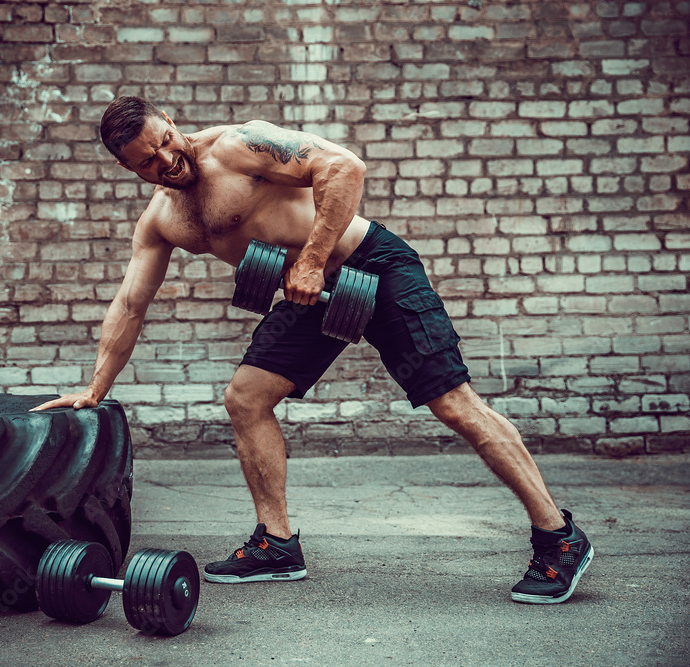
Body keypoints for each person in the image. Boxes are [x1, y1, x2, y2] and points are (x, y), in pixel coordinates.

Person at [34, 96, 593, 604]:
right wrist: (96, 385)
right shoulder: (162, 219)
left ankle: (558, 538)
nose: (167, 159)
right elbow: (131, 303)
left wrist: (309, 258)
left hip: (372, 264)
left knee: (452, 403)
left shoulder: (237, 145)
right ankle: (276, 544)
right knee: (246, 399)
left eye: (165, 141)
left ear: (172, 123)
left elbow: (344, 166)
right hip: (314, 295)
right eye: (148, 160)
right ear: (128, 169)